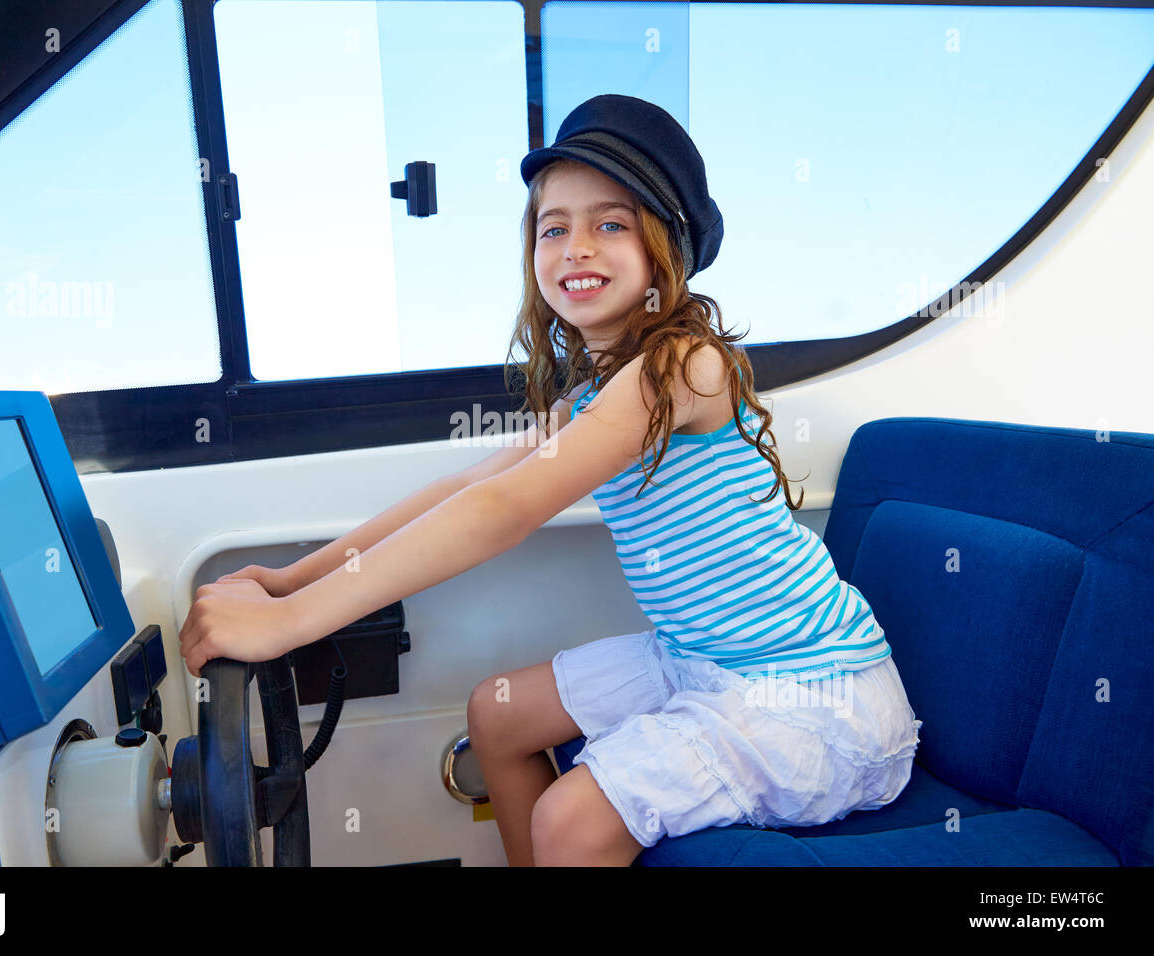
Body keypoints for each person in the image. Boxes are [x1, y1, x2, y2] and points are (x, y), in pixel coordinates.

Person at [179, 93, 922, 867]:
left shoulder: (688, 367)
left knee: (569, 820)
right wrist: (289, 581)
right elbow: (468, 490)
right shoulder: (591, 398)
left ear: (663, 252)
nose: (576, 247)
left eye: (610, 224)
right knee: (495, 718)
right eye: (553, 227)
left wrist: (290, 627)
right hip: (695, 659)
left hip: (816, 693)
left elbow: (504, 511)